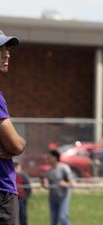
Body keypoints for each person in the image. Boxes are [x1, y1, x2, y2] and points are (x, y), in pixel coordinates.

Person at [0, 31, 26, 225]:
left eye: (7, 49)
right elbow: (16, 145)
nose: (7, 54)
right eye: (1, 49)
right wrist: (21, 142)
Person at [41, 149, 73, 225]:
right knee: (53, 221)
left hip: (63, 198)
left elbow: (71, 183)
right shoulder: (48, 171)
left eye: (49, 157)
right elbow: (46, 183)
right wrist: (44, 184)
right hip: (53, 199)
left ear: (55, 157)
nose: (47, 158)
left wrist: (65, 184)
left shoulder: (64, 168)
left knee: (62, 217)